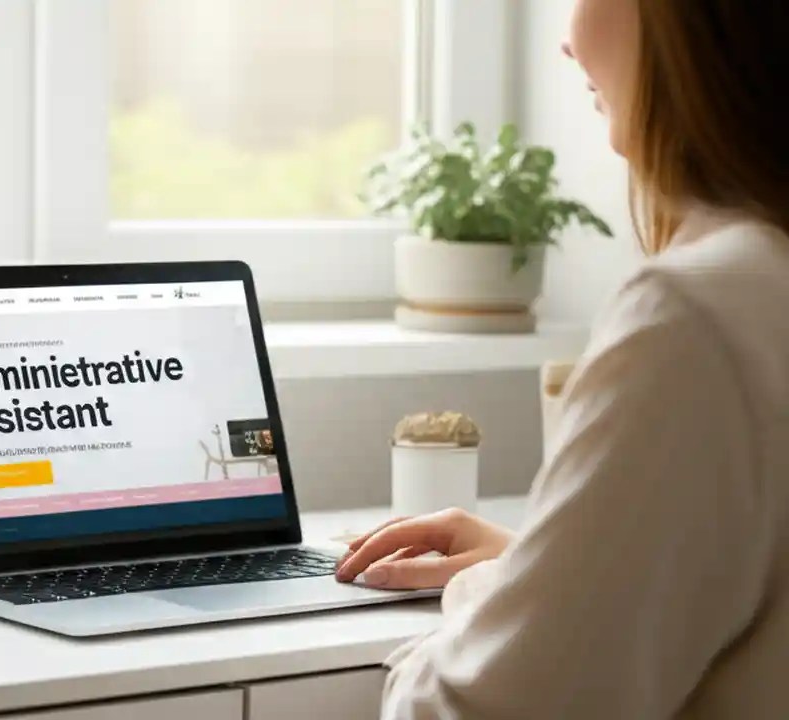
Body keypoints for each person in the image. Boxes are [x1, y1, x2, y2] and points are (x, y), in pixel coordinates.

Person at [334, 1, 789, 717]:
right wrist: (545, 569)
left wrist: (479, 596)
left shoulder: (698, 317)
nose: (567, 44)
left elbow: (471, 711)